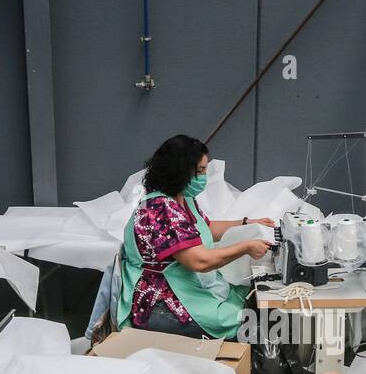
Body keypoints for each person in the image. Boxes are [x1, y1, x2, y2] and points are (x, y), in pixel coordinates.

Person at [117, 135, 273, 340]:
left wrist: (248, 223)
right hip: (161, 302)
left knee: (250, 299)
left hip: (187, 288)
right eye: (199, 171)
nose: (203, 177)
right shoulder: (159, 209)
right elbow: (199, 261)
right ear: (178, 171)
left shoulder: (183, 198)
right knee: (251, 320)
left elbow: (205, 228)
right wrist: (246, 247)